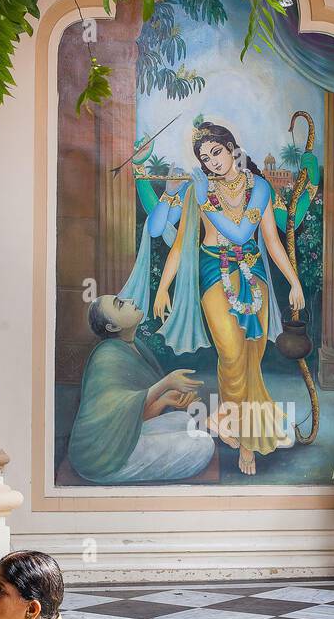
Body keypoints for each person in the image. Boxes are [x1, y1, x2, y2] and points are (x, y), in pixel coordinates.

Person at [123, 120, 304, 476]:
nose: (212, 162)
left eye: (217, 152)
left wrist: (293, 281)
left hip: (253, 275)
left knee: (252, 356)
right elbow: (165, 233)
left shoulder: (259, 188)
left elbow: (263, 239)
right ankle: (240, 430)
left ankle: (244, 434)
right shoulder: (199, 189)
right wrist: (163, 286)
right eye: (205, 158)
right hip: (212, 273)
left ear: (231, 147)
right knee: (232, 352)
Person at [67, 293, 215, 485]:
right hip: (103, 457)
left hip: (119, 438)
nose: (130, 301)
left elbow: (129, 416)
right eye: (120, 304)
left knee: (185, 419)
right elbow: (116, 412)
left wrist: (164, 400)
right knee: (203, 444)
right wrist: (167, 382)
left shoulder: (134, 345)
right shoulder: (106, 356)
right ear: (113, 327)